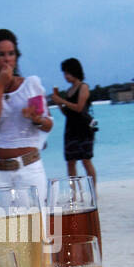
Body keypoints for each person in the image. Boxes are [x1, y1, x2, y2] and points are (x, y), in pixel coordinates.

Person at [0, 28, 52, 202]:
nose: (7, 59)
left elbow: (48, 123)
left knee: (35, 226)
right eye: (1, 54)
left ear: (16, 57)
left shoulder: (31, 84)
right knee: (4, 228)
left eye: (11, 53)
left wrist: (37, 120)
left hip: (29, 167)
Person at [50, 57, 96, 185]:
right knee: (70, 161)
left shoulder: (83, 87)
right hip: (70, 128)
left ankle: (93, 190)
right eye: (64, 73)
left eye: (67, 73)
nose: (65, 76)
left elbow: (79, 107)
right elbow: (67, 113)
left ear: (75, 71)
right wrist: (59, 103)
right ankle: (74, 192)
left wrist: (62, 101)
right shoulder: (69, 91)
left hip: (84, 128)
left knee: (86, 160)